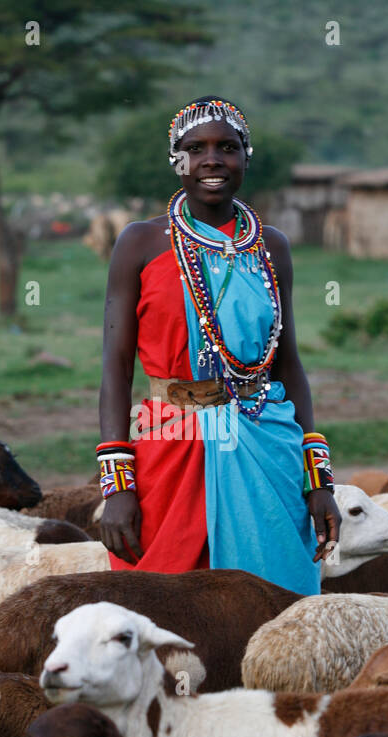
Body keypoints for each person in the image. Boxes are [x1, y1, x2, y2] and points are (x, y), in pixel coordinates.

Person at [96, 96, 341, 595]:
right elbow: (115, 368)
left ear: (246, 158)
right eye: (196, 148)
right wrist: (117, 485)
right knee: (162, 607)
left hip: (265, 441)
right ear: (176, 160)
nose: (212, 159)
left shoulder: (270, 246)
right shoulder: (140, 243)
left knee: (273, 602)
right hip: (169, 441)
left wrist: (318, 477)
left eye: (227, 147)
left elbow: (288, 364)